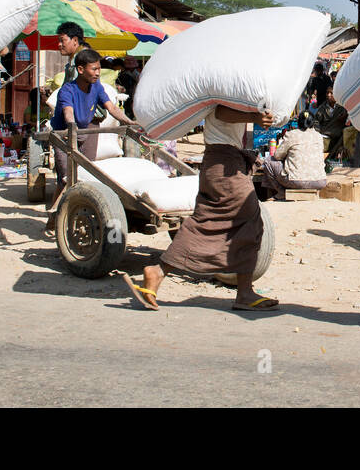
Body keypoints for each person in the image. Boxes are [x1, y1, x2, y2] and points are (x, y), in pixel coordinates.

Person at [123, 105, 279, 312]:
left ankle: (244, 292)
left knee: (225, 222)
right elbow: (221, 112)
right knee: (240, 221)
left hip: (222, 161)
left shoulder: (237, 90)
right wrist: (254, 117)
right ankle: (159, 271)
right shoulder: (225, 91)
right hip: (224, 164)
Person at [47, 49, 138, 230]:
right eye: (93, 69)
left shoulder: (97, 87)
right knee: (66, 179)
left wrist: (129, 122)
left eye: (98, 69)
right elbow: (68, 111)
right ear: (81, 70)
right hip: (63, 134)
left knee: (87, 176)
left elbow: (111, 107)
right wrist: (72, 127)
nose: (97, 72)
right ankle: (54, 216)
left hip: (87, 131)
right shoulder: (67, 90)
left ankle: (77, 215)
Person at [260, 119, 327, 192]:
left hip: (296, 181)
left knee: (269, 162)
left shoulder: (292, 134)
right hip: (320, 181)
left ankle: (281, 192)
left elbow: (277, 156)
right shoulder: (318, 136)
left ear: (298, 123)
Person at [314, 88, 348, 157]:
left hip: (338, 136)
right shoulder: (322, 108)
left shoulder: (342, 107)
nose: (329, 95)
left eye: (331, 93)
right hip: (325, 135)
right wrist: (318, 133)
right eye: (327, 93)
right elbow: (315, 122)